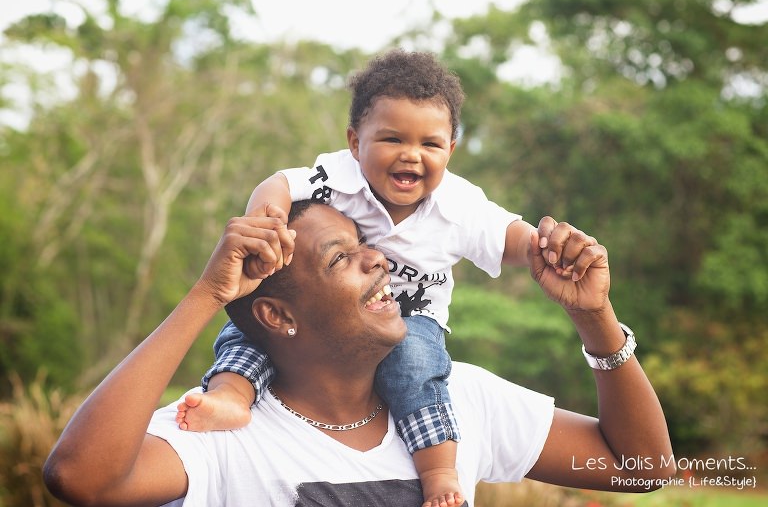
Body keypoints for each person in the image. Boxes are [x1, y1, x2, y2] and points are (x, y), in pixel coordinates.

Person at [44, 200, 675, 507]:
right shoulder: (217, 428)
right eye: (340, 258)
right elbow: (78, 478)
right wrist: (209, 293)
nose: (379, 259)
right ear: (277, 315)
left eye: (363, 244)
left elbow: (644, 468)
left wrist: (594, 317)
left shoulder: (458, 398)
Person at [178, 49, 542, 507]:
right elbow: (280, 183)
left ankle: (439, 470)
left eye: (430, 145)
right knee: (250, 330)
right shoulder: (337, 177)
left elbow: (506, 235)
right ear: (355, 142)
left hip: (412, 316)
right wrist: (265, 221)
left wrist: (542, 248)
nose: (412, 155)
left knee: (416, 367)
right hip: (330, 311)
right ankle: (231, 394)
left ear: (450, 149)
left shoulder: (460, 206)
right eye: (392, 139)